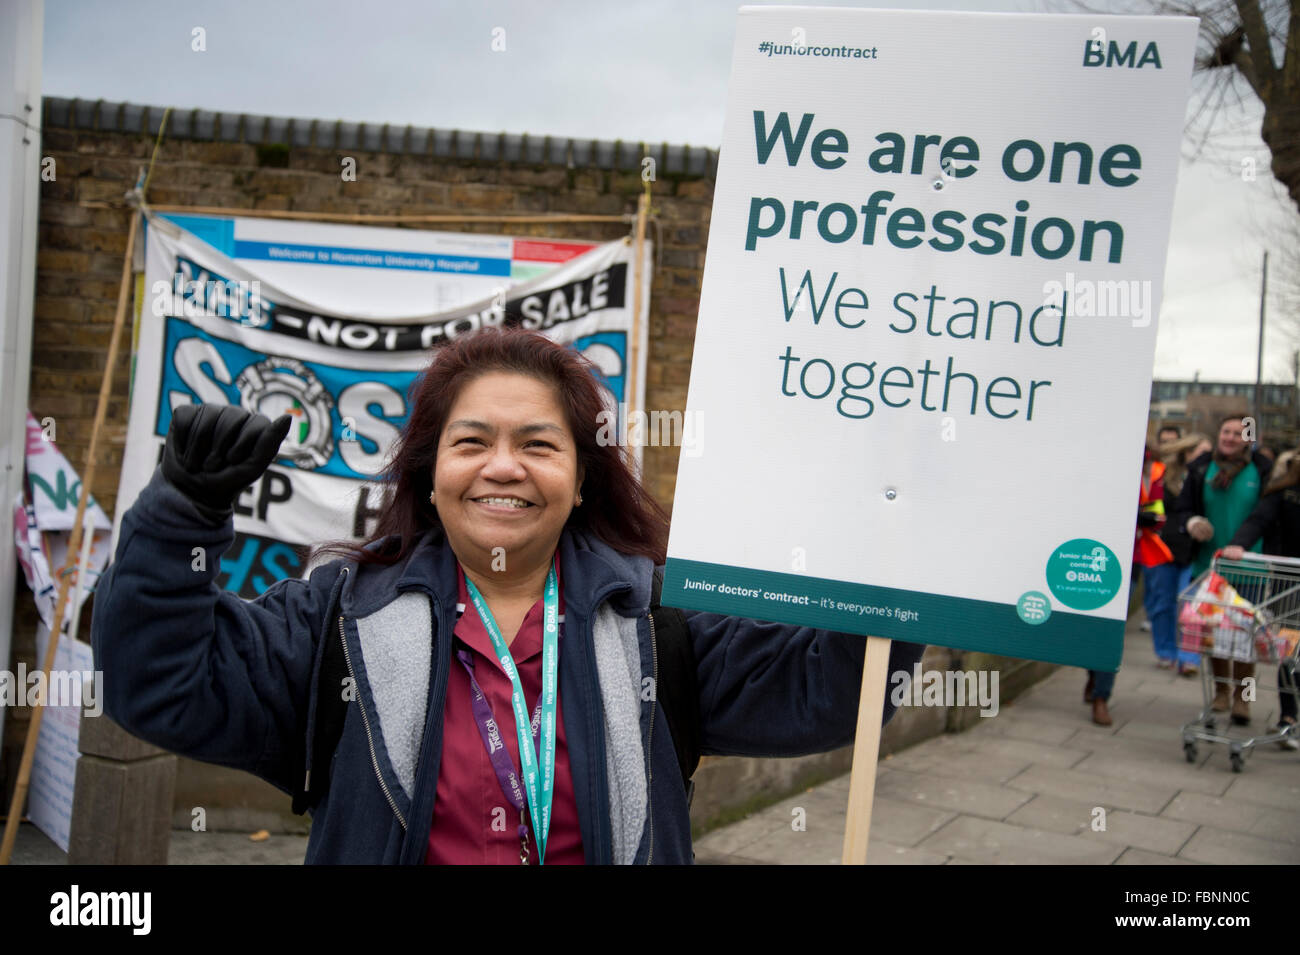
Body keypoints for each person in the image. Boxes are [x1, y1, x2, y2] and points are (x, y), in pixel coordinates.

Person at [90, 328, 927, 865]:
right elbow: (162, 684)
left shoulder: (656, 621)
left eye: (537, 443)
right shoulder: (339, 617)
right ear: (431, 468)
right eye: (472, 441)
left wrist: (894, 549)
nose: (503, 466)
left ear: (579, 478)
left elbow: (829, 692)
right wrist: (181, 515)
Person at [1169, 415, 1272, 725]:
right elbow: (1182, 508)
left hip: (1251, 567)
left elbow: (1269, 514)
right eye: (1225, 431)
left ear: (1249, 438)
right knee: (1216, 636)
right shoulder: (1201, 467)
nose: (1229, 438)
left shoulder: (1262, 471)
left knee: (1245, 641)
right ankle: (1222, 692)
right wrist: (1193, 523)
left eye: (1237, 433)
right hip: (1211, 565)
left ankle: (1245, 698)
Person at [1221, 448, 1300, 750]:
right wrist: (1238, 545)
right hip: (1289, 583)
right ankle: (1289, 718)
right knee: (1292, 651)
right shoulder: (1285, 493)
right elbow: (1259, 519)